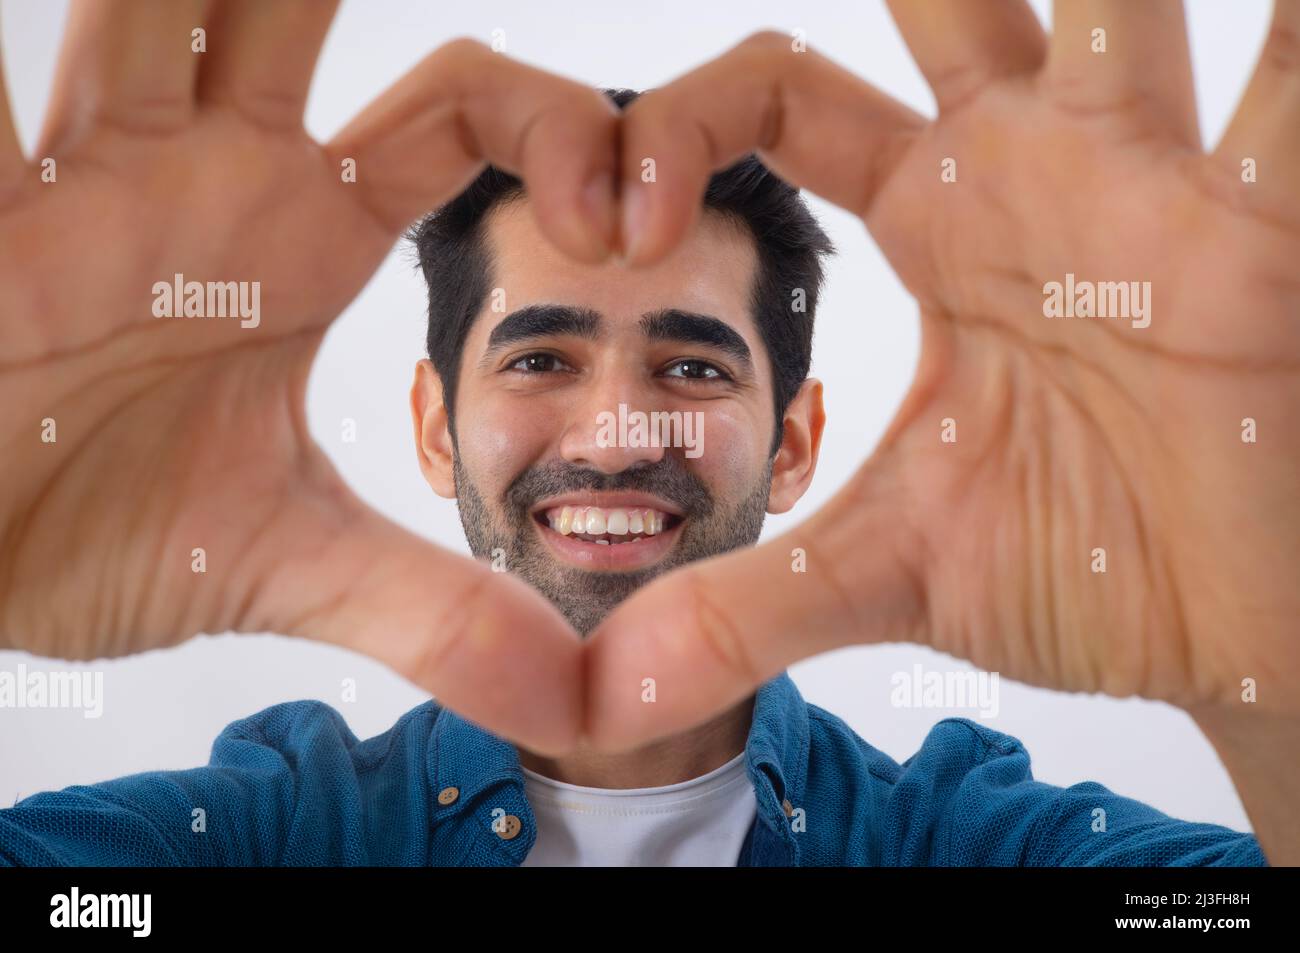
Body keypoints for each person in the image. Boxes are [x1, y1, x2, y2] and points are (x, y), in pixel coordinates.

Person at [0, 0, 1295, 865]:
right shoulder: (259, 832)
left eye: (688, 363)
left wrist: (1274, 684)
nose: (615, 433)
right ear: (436, 431)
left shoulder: (964, 836)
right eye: (542, 356)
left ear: (791, 444)